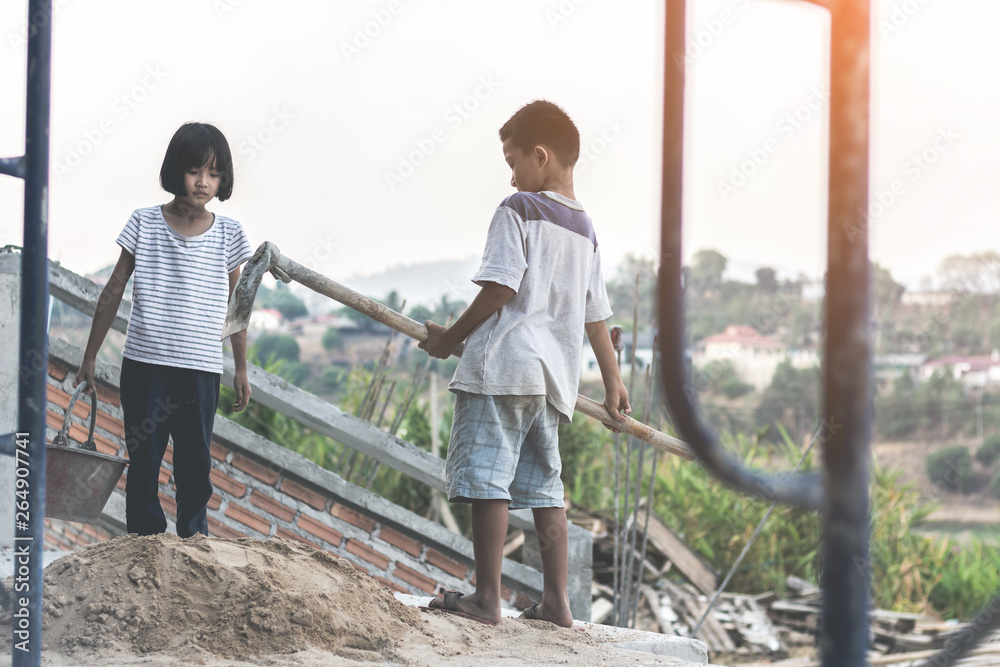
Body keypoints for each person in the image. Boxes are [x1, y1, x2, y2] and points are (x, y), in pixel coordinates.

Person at [419, 100, 630, 627]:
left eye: (513, 162)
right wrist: (614, 383)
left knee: (487, 481)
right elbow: (596, 317)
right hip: (550, 383)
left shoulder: (518, 211)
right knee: (544, 491)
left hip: (502, 368)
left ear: (541, 156)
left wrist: (451, 338)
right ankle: (558, 605)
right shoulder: (586, 230)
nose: (512, 177)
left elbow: (500, 287)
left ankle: (486, 598)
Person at [74, 122, 253, 538]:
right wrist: (88, 356)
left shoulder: (229, 234)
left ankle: (194, 540)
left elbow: (237, 311)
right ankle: (144, 543)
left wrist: (241, 369)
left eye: (213, 173)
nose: (203, 182)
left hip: (200, 371)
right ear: (176, 171)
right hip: (145, 367)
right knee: (144, 459)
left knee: (195, 464)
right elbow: (113, 290)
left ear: (223, 178)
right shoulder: (144, 223)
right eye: (195, 171)